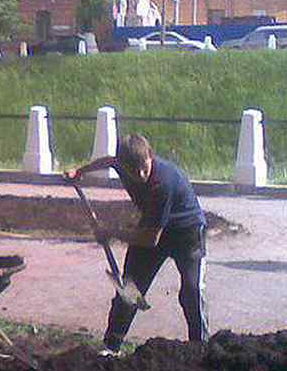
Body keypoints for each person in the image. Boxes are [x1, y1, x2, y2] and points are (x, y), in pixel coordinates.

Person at [66, 134, 208, 357]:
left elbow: (150, 239)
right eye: (133, 171)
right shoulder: (123, 164)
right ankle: (111, 346)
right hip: (153, 226)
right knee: (129, 290)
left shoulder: (162, 183)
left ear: (150, 155)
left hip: (186, 232)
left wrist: (111, 232)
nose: (140, 175)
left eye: (143, 168)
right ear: (124, 166)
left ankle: (200, 349)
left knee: (191, 291)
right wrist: (80, 171)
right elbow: (109, 161)